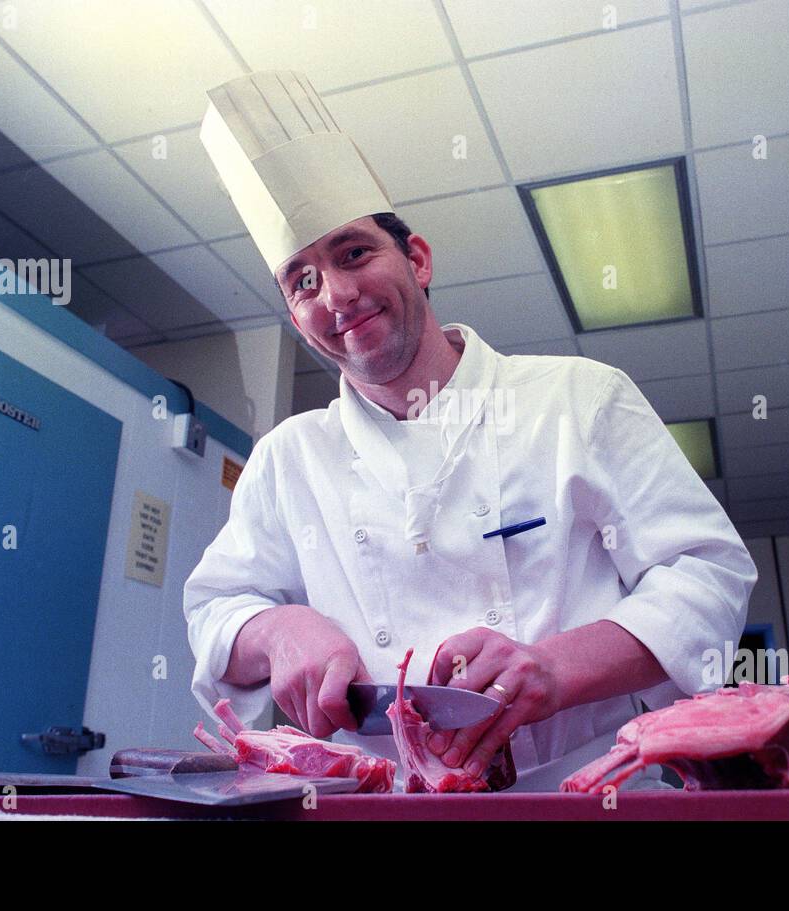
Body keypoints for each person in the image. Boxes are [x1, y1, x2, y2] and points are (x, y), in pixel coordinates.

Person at [185, 71, 756, 790]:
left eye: (355, 253)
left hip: (588, 792)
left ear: (417, 260)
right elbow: (212, 612)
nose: (336, 293)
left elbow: (707, 574)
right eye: (302, 282)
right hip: (379, 800)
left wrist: (552, 667)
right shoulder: (287, 460)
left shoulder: (579, 399)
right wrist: (275, 630)